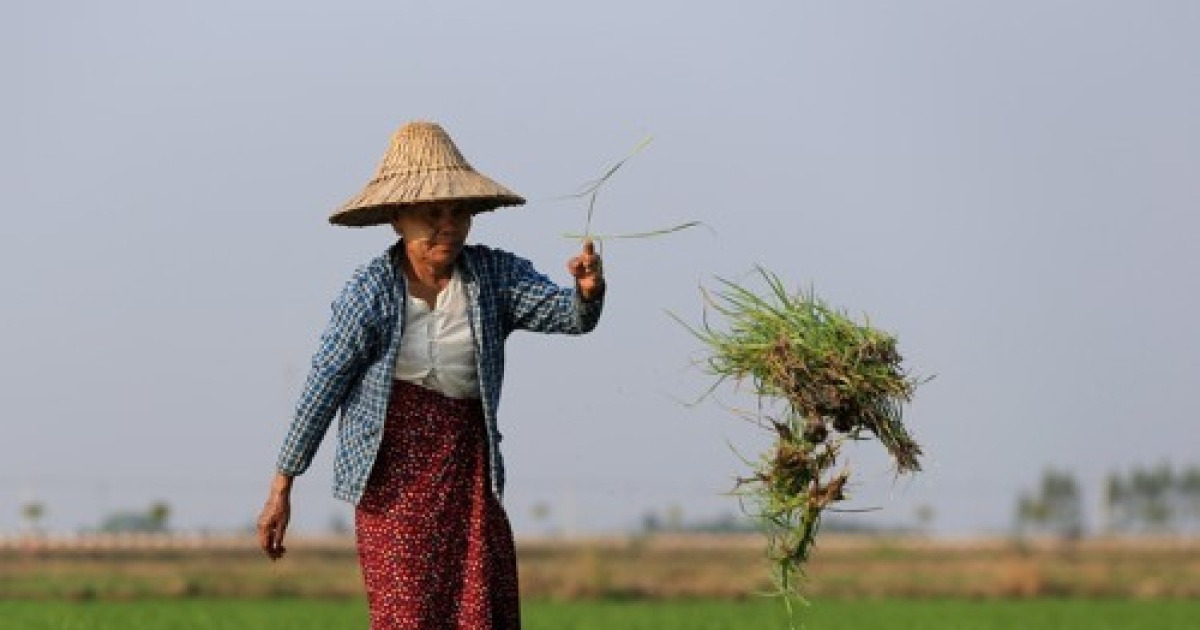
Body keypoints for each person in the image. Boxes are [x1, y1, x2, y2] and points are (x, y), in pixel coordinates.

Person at [256, 121, 605, 629]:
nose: (448, 225)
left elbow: (568, 316)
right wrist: (283, 483)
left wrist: (587, 293)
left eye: (458, 212)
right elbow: (322, 387)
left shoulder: (493, 278)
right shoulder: (369, 292)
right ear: (398, 219)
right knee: (406, 615)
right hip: (390, 482)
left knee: (477, 611)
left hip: (467, 474)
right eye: (432, 214)